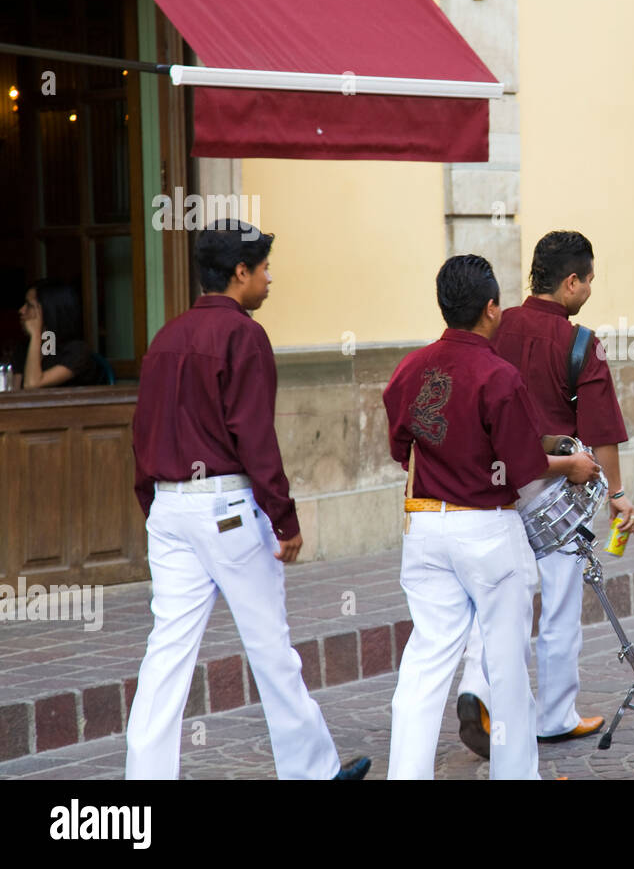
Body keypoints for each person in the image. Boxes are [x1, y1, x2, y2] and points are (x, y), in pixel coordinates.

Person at [127, 220, 369, 780]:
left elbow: (143, 430)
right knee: (270, 647)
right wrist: (284, 518)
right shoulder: (243, 336)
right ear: (240, 272)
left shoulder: (166, 337)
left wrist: (156, 505)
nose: (269, 279)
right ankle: (311, 771)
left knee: (166, 654)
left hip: (169, 508)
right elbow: (254, 435)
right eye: (263, 269)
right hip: (226, 509)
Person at [383, 254, 599, 780]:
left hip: (425, 527)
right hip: (485, 528)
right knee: (504, 667)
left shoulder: (412, 367)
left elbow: (401, 444)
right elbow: (523, 465)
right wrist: (573, 464)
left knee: (425, 663)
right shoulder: (497, 373)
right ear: (490, 307)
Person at [454, 231, 634, 758]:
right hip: (558, 487)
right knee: (558, 603)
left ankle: (476, 688)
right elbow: (602, 430)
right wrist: (619, 494)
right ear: (571, 282)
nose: (590, 291)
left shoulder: (493, 322)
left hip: (493, 479)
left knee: (497, 595)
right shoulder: (580, 342)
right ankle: (555, 713)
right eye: (589, 281)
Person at [15, 279, 101, 389]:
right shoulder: (23, 349)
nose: (21, 310)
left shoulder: (76, 351)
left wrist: (36, 334)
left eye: (29, 305)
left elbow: (32, 384)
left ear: (49, 311)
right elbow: (14, 393)